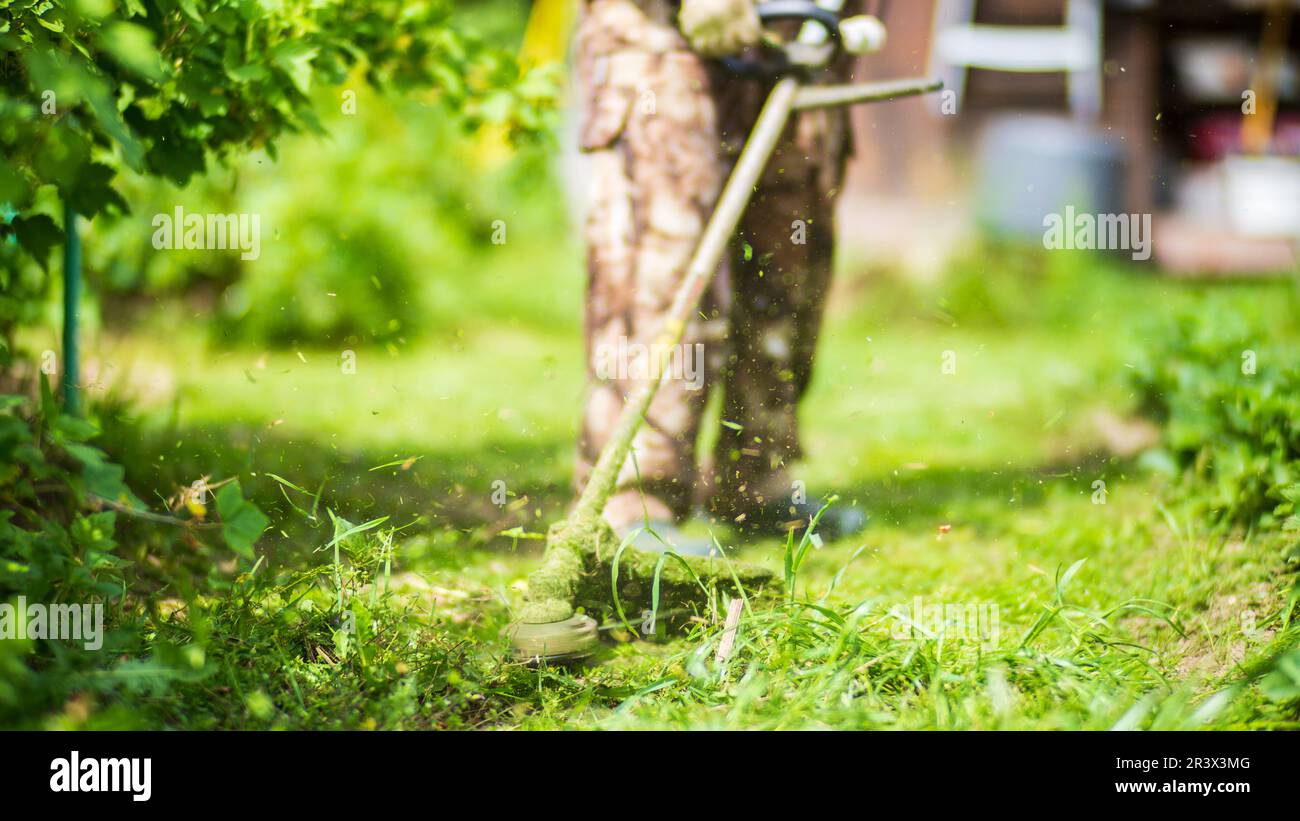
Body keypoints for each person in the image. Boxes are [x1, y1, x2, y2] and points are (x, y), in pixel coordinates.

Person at [573, 0, 867, 553]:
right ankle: (633, 503)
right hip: (663, 32)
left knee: (787, 262)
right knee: (663, 263)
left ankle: (758, 481)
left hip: (801, 26)